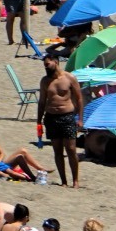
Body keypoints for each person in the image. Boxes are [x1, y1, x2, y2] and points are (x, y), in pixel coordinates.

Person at [37, 54, 85, 188]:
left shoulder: (69, 78)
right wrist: (38, 121)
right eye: (44, 65)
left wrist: (80, 119)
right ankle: (64, 181)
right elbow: (42, 102)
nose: (46, 68)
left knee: (71, 149)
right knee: (57, 151)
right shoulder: (45, 81)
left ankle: (75, 180)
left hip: (67, 116)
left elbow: (79, 99)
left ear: (56, 62)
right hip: (51, 117)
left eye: (48, 64)